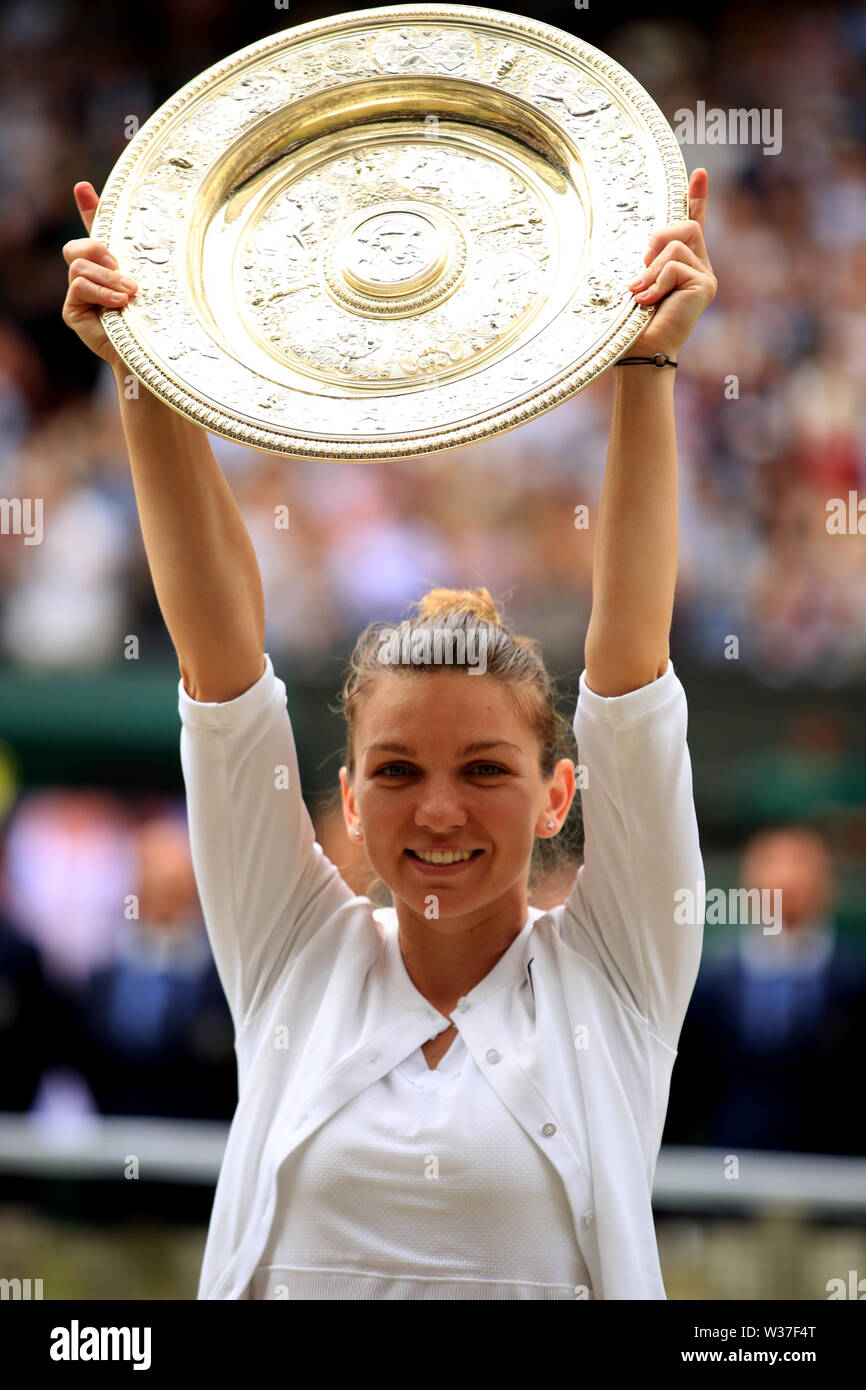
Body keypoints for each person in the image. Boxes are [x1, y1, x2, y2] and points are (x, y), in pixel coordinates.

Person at [61, 169, 717, 1299]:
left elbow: (629, 668)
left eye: (485, 769)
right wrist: (144, 370)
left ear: (560, 793)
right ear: (350, 802)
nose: (442, 808)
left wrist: (646, 368)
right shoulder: (296, 954)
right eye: (398, 770)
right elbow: (220, 669)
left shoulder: (616, 973)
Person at [664, 824, 866, 1156]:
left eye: (803, 864)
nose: (788, 879)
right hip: (722, 1177)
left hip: (837, 1182)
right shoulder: (706, 986)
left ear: (829, 882)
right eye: (772, 863)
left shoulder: (854, 984)